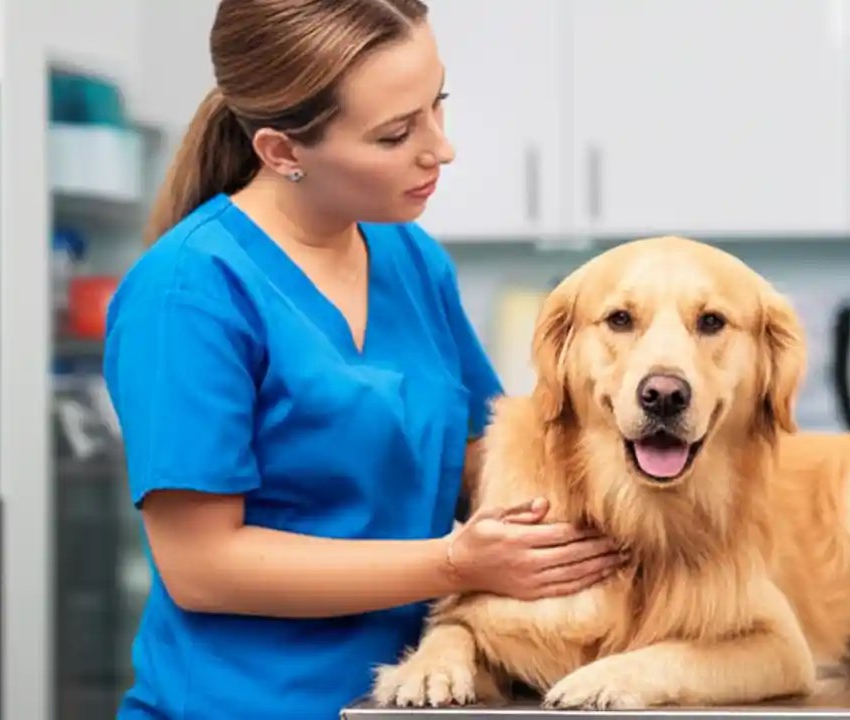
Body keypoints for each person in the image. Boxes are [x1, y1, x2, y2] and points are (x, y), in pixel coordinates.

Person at [102, 1, 626, 717]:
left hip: (414, 693)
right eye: (395, 133)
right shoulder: (188, 291)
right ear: (282, 153)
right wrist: (455, 563)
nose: (440, 149)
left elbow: (489, 456)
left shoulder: (410, 258)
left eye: (437, 104)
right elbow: (202, 567)